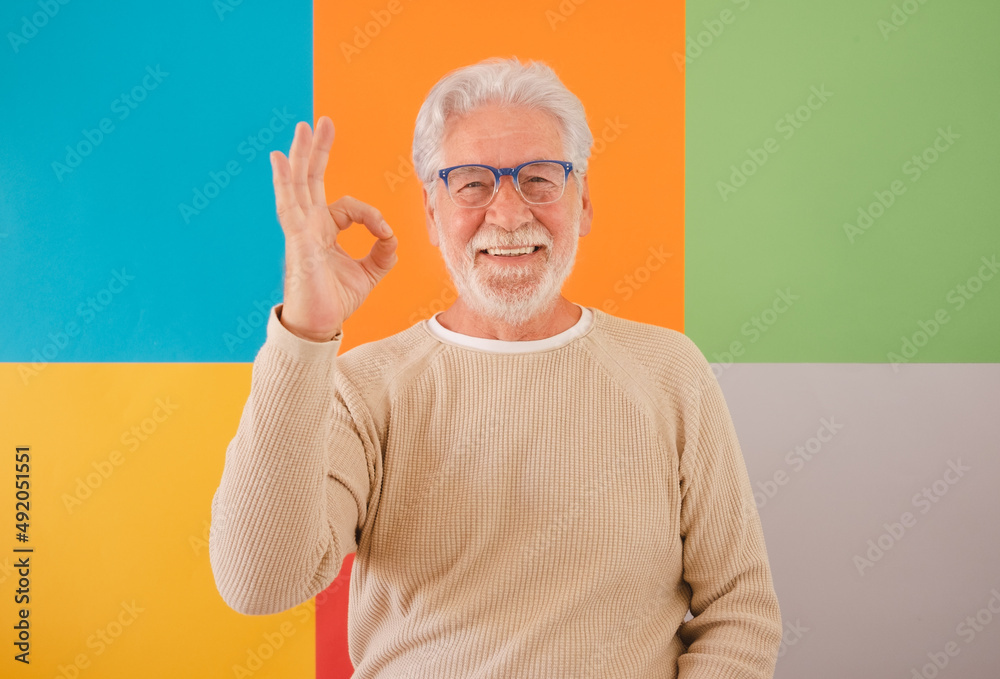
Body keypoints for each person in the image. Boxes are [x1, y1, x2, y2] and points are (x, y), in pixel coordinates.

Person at [209, 56, 783, 678]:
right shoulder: (364, 388)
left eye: (539, 178)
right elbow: (259, 583)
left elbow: (739, 610)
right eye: (472, 184)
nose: (509, 215)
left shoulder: (669, 371)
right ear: (432, 213)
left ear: (584, 202)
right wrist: (306, 334)